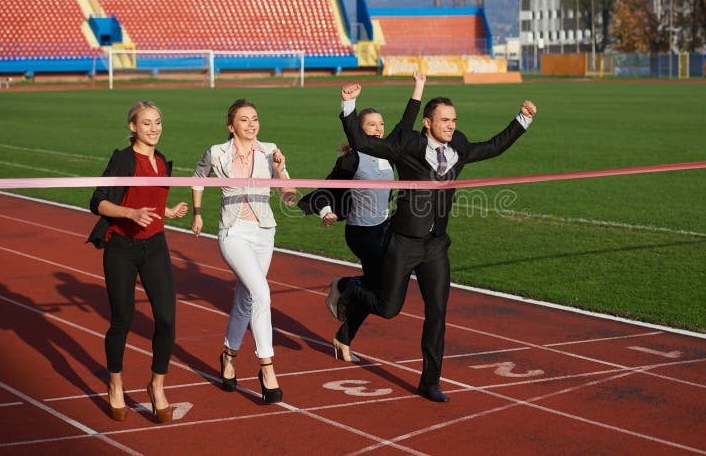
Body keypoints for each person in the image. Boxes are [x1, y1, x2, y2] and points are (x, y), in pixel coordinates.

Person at [330, 87, 537, 402]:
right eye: (445, 120)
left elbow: (494, 146)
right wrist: (348, 105)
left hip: (436, 246)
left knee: (437, 313)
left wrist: (522, 119)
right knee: (389, 308)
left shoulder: (461, 147)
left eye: (454, 120)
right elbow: (363, 142)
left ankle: (430, 382)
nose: (451, 125)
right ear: (427, 122)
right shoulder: (408, 145)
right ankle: (349, 289)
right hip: (403, 242)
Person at [298, 72, 425, 362]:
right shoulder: (352, 159)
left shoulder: (388, 152)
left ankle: (344, 337)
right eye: (372, 125)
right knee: (382, 287)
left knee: (375, 288)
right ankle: (343, 286)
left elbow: (406, 125)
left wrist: (419, 87)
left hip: (383, 230)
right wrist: (326, 210)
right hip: (360, 233)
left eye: (381, 124)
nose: (379, 129)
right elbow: (325, 190)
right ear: (360, 129)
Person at [87, 100, 188, 423]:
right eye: (146, 123)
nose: (154, 128)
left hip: (155, 246)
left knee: (167, 319)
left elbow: (150, 201)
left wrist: (167, 213)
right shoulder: (123, 159)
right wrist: (130, 213)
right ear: (132, 127)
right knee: (123, 320)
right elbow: (97, 201)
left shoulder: (161, 161)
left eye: (157, 122)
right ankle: (115, 384)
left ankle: (157, 385)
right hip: (121, 248)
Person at [191, 99, 296, 404]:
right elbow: (197, 178)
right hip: (233, 232)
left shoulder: (269, 149)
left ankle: (228, 355)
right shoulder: (216, 152)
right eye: (244, 120)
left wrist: (281, 172)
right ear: (231, 126)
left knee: (246, 298)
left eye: (255, 119)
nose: (251, 125)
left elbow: (287, 195)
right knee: (262, 293)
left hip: (264, 232)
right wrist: (197, 213)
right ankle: (267, 368)